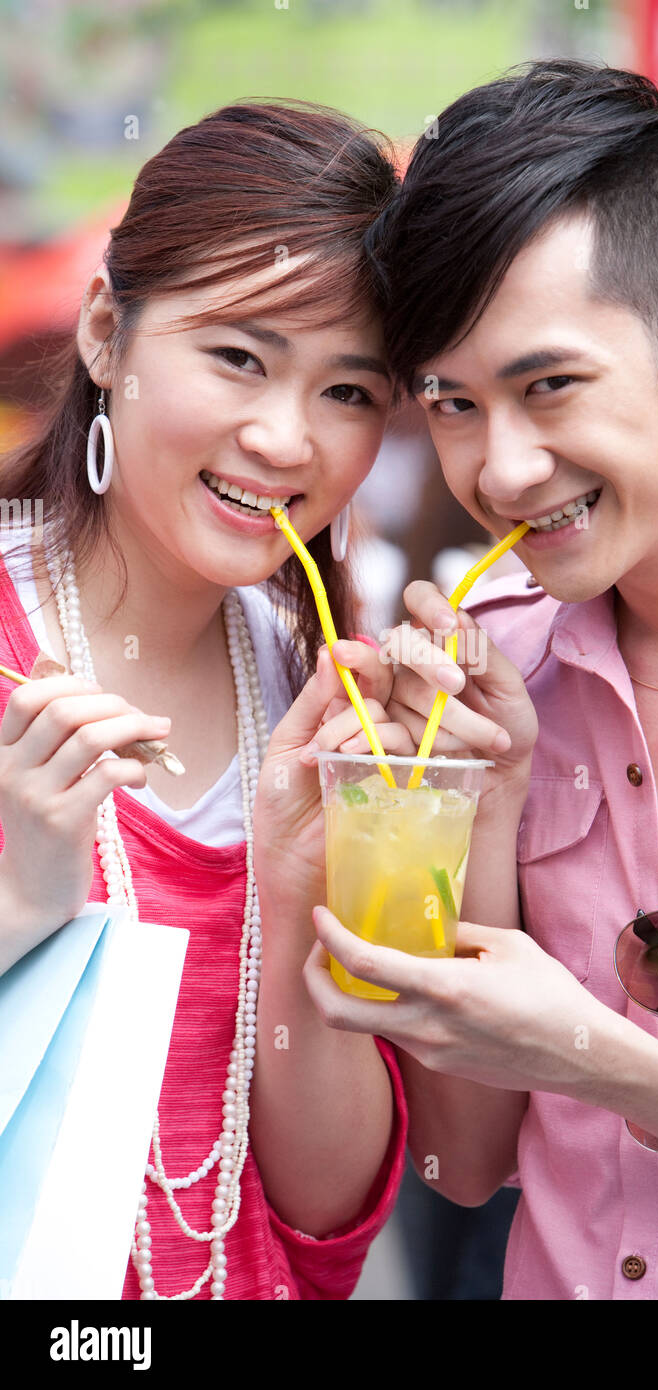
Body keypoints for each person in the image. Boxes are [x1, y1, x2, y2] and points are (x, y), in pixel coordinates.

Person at [299, 59, 658, 1301]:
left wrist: (607, 1063)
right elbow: (462, 1163)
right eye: (450, 402)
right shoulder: (491, 672)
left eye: (548, 385)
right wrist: (475, 809)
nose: (498, 468)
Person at [0, 98, 412, 1301]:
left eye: (349, 392)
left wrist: (296, 895)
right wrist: (25, 895)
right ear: (103, 334)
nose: (285, 438)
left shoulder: (318, 689)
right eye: (237, 356)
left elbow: (324, 1218)